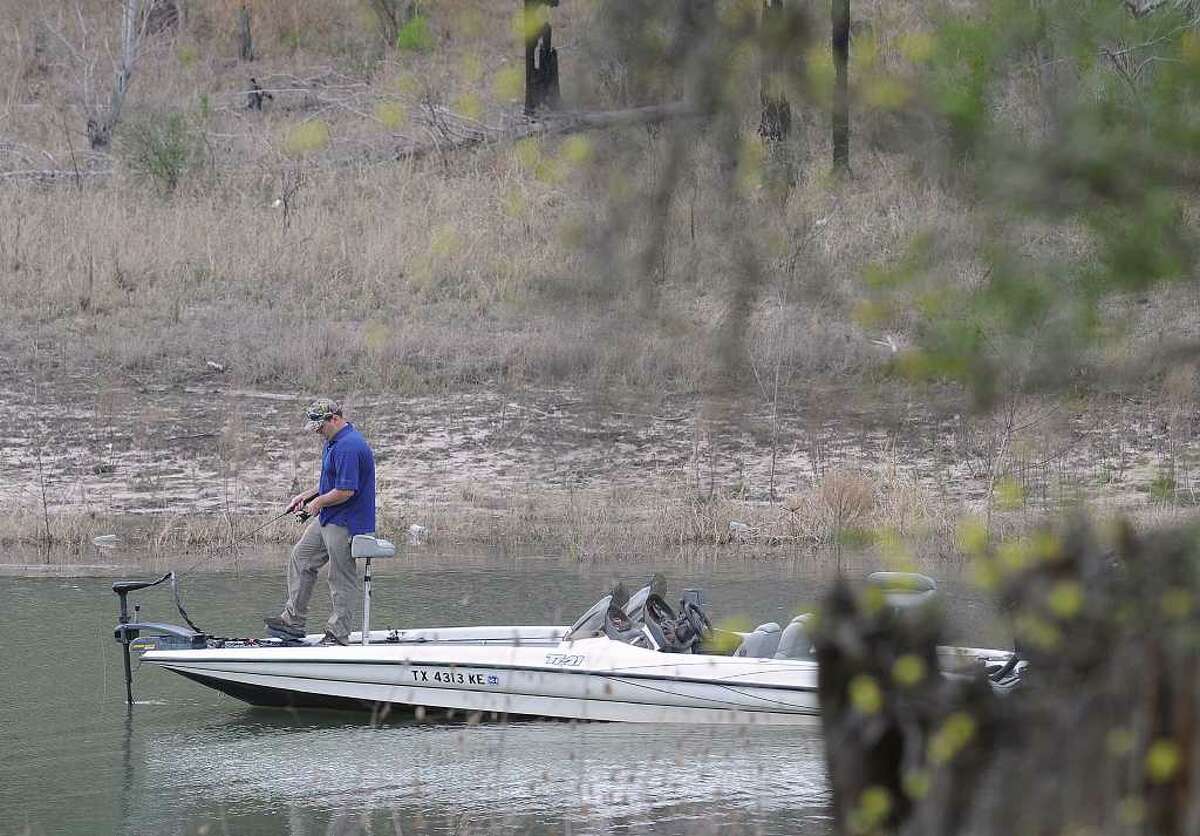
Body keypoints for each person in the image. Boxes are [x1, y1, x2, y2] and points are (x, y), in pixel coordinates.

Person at [265, 398, 376, 645]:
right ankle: (292, 622)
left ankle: (338, 634)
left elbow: (346, 491)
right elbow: (332, 482)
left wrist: (317, 504)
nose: (317, 431)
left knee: (340, 577)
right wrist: (307, 496)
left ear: (334, 419)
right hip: (329, 515)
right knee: (301, 558)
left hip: (347, 521)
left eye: (320, 426)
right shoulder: (333, 442)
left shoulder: (349, 446)